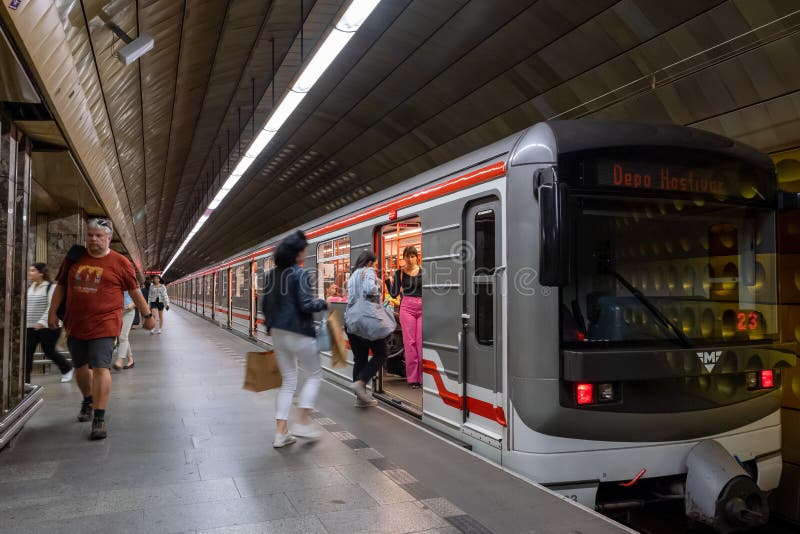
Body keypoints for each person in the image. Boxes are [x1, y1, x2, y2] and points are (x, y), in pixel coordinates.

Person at [48, 218, 155, 440]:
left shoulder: (120, 262)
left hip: (105, 324)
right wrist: (52, 312)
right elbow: (61, 286)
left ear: (109, 238)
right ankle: (87, 399)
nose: (94, 239)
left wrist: (147, 315)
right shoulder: (74, 258)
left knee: (100, 368)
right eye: (90, 235)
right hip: (75, 324)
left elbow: (135, 291)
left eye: (99, 235)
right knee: (80, 368)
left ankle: (99, 416)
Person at [262, 230, 327, 447]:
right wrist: (323, 303)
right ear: (297, 253)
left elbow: (265, 306)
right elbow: (306, 305)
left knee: (288, 381)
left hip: (278, 334)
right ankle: (302, 421)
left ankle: (281, 433)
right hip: (299, 331)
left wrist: (270, 327)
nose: (306, 253)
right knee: (315, 374)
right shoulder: (300, 274)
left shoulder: (272, 275)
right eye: (304, 250)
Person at [347, 251, 387, 408]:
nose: (375, 267)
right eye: (375, 264)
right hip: (367, 321)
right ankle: (361, 382)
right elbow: (371, 289)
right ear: (370, 263)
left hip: (351, 321)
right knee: (382, 353)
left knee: (360, 359)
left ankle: (360, 399)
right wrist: (377, 283)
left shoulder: (352, 275)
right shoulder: (368, 271)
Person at [25, 263, 74, 383]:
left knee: (49, 351)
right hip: (30, 326)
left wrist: (42, 322)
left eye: (32, 270)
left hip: (49, 326)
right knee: (27, 353)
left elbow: (52, 307)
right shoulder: (30, 288)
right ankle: (26, 381)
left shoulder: (50, 287)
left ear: (41, 273)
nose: (29, 273)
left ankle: (67, 368)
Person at [386, 246, 423, 388]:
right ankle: (413, 379)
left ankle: (422, 377)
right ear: (404, 257)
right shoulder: (399, 273)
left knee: (420, 343)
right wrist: (389, 281)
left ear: (417, 257)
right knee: (410, 343)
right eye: (407, 256)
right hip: (407, 308)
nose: (410, 259)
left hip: (422, 307)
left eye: (412, 256)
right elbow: (394, 294)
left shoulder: (423, 272)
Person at [112, 291, 136, 370]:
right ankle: (130, 359)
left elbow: (139, 298)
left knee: (122, 336)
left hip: (128, 311)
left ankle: (120, 360)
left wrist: (133, 304)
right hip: (115, 311)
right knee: (123, 336)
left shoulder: (130, 281)